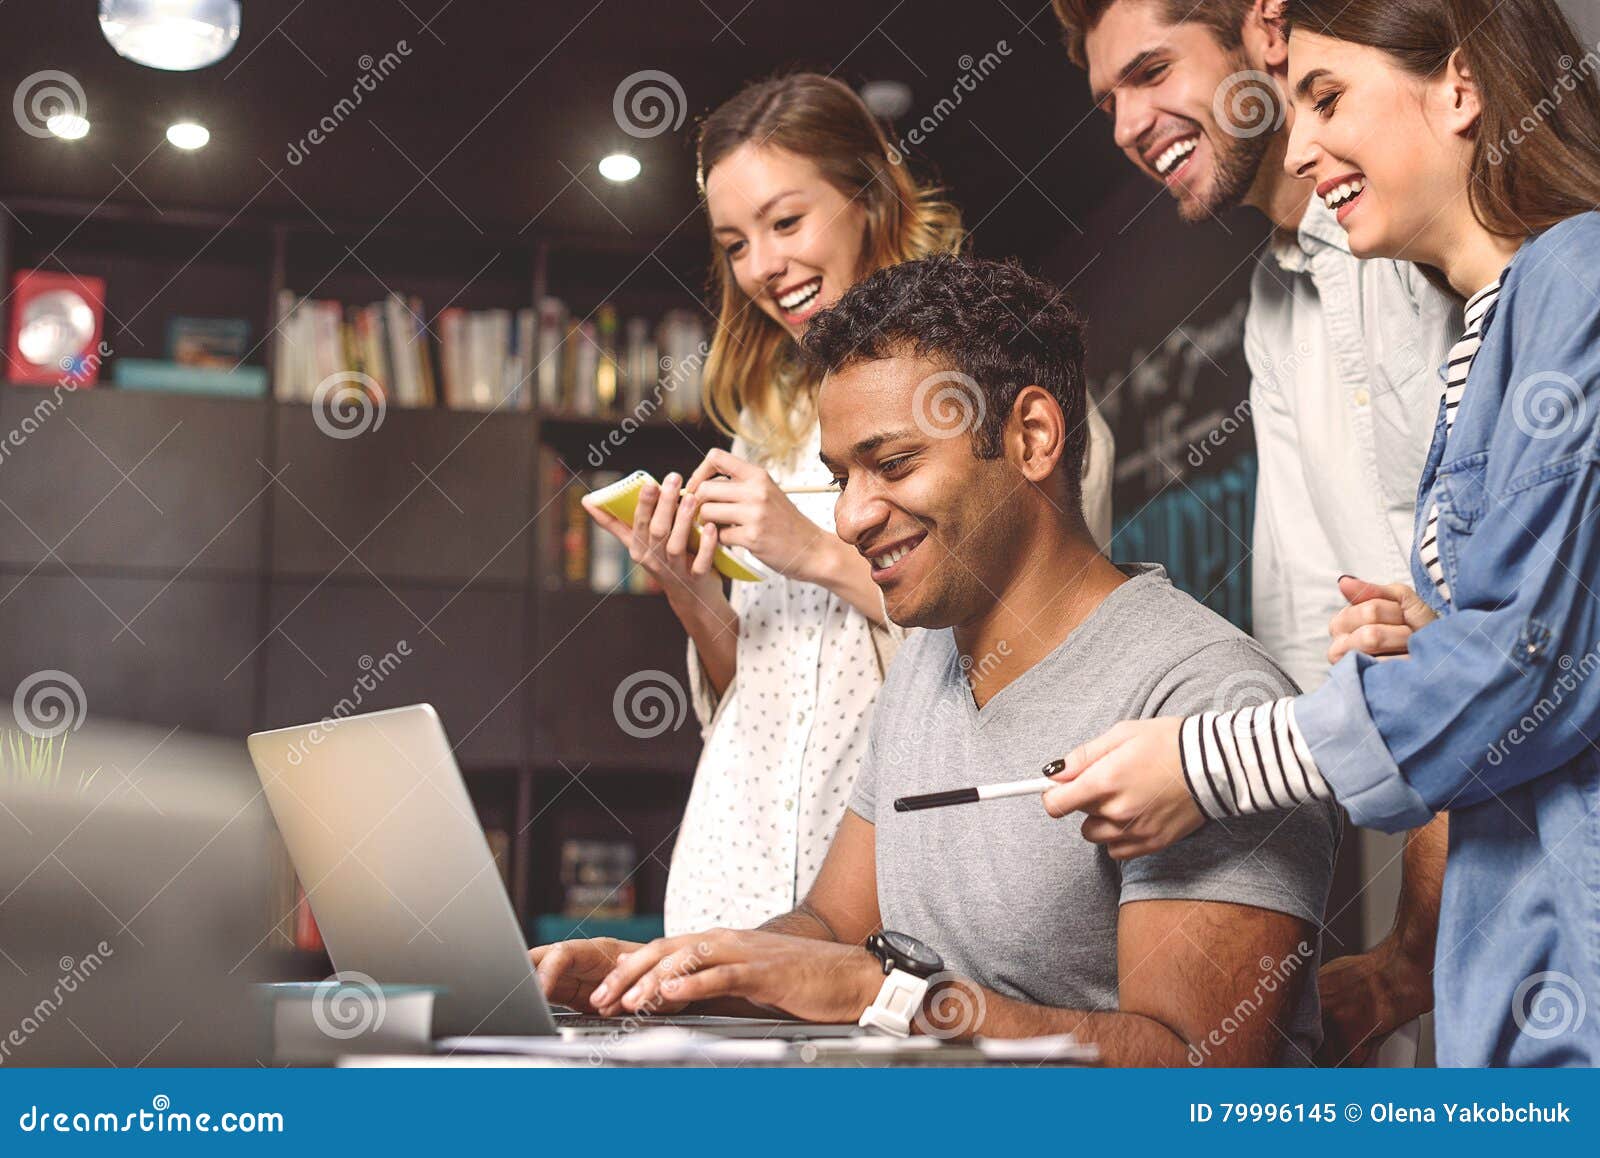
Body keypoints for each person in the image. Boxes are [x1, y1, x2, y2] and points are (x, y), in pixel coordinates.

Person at [536, 256, 1339, 1065]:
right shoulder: (926, 664)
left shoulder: (1204, 692)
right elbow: (829, 930)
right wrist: (667, 974)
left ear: (1031, 438)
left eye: (893, 465)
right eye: (840, 479)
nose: (851, 518)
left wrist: (888, 996)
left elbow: (1201, 1078)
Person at [1045, 0, 1600, 1067]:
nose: (1301, 147)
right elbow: (1509, 635)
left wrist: (1204, 763)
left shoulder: (1572, 278)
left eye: (1327, 98)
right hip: (1511, 984)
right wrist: (1432, 638)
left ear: (1461, 85)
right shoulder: (1480, 321)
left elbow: (1524, 661)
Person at [583, 74, 1116, 934]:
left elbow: (1037, 641)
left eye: (786, 222)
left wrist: (814, 551)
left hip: (886, 884)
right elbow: (749, 686)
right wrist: (690, 589)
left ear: (869, 199)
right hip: (730, 872)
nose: (762, 266)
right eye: (735, 243)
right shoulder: (765, 430)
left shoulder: (994, 389)